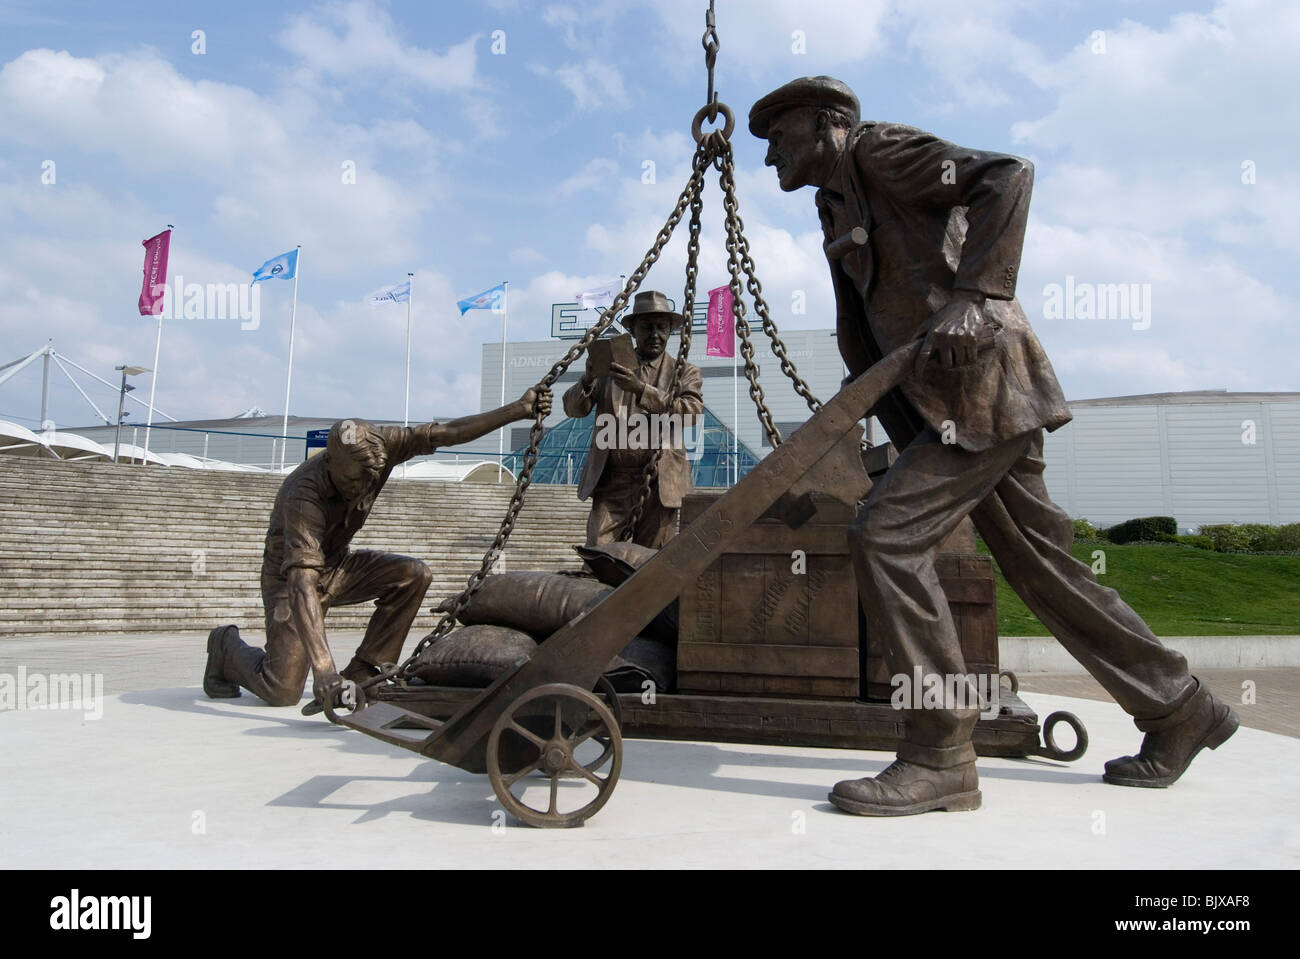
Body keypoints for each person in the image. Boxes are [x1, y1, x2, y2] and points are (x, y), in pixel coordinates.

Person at [749, 76, 1238, 815]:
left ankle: (940, 751)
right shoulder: (837, 197)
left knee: (884, 537)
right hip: (947, 403)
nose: (768, 158)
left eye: (778, 138)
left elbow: (1006, 176)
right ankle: (1179, 707)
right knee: (1044, 568)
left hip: (980, 392)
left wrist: (979, 297)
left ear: (828, 125)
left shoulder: (881, 153)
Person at [203, 388, 552, 713]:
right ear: (331, 464)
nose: (364, 487)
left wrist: (518, 410)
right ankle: (225, 647)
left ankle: (364, 670)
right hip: (290, 581)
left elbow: (446, 433)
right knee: (282, 689)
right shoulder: (303, 494)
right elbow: (302, 585)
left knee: (413, 575)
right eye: (356, 480)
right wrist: (324, 671)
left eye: (372, 478)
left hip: (339, 567)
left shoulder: (381, 445)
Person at [563, 290, 704, 548]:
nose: (655, 335)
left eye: (662, 327)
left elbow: (691, 412)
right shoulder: (612, 366)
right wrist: (588, 379)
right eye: (647, 327)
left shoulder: (684, 371)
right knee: (597, 553)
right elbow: (573, 409)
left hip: (659, 483)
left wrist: (641, 389)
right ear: (633, 331)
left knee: (651, 565)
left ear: (671, 330)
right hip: (612, 483)